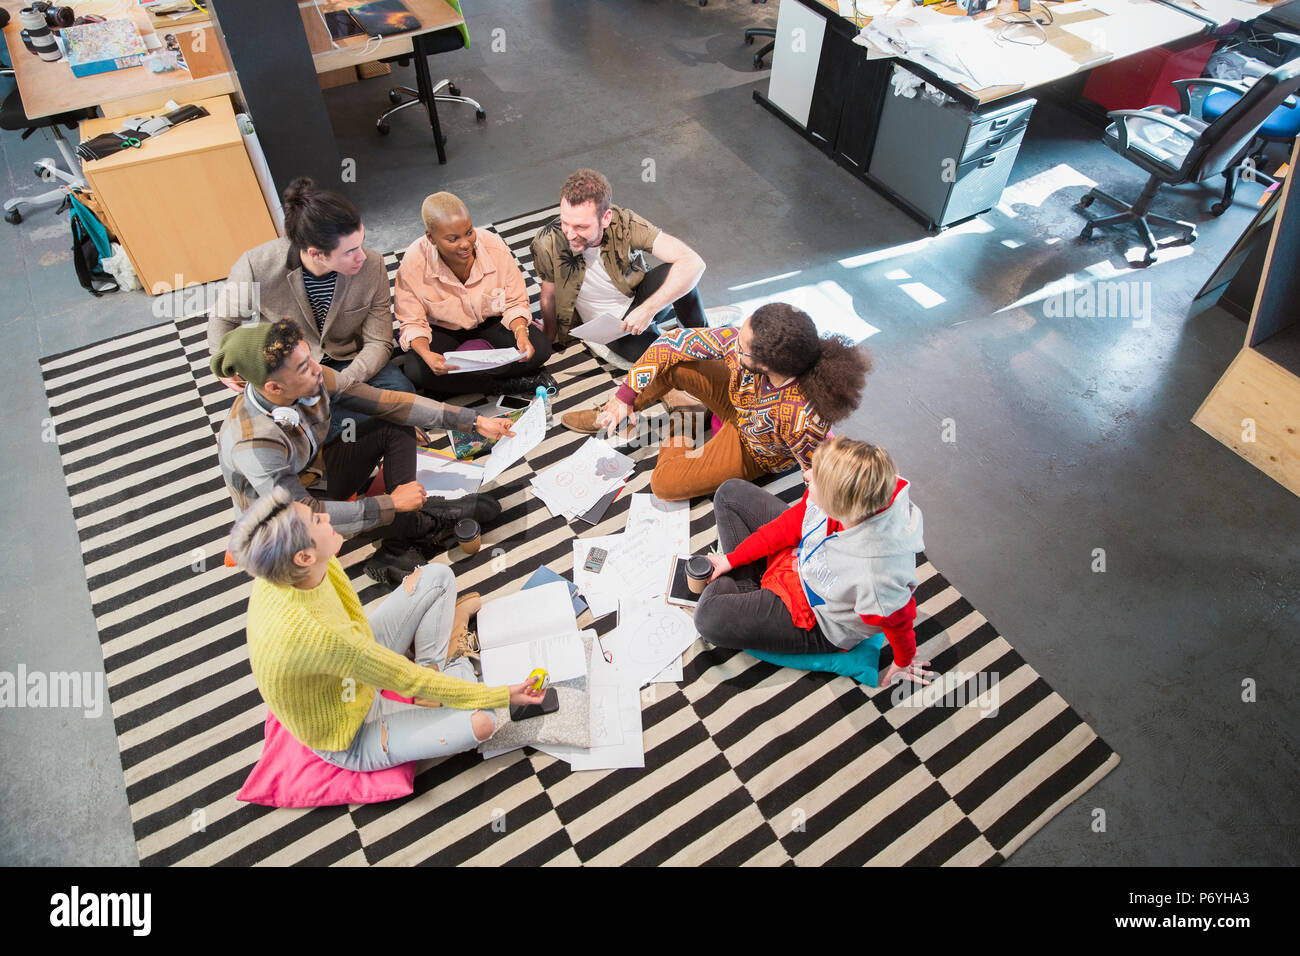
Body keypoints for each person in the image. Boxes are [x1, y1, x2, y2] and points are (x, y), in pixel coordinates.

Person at [228, 487, 546, 773]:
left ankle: (439, 664)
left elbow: (358, 631)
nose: (326, 516)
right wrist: (503, 694)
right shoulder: (317, 633)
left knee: (436, 576)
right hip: (351, 731)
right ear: (304, 556)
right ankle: (451, 653)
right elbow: (402, 678)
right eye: (317, 520)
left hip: (352, 661)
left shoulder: (296, 567)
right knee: (483, 721)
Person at [211, 320, 516, 586]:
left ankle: (402, 538)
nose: (319, 370)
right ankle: (411, 524)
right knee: (329, 526)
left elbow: (390, 402)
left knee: (394, 424)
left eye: (310, 358)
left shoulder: (315, 378)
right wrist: (391, 503)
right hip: (285, 523)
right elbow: (305, 512)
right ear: (274, 388)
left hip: (316, 476)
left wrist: (473, 421)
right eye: (304, 368)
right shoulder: (253, 444)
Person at [562, 302, 872, 500]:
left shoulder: (803, 420)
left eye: (742, 344)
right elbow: (671, 342)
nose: (733, 340)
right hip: (735, 401)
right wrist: (624, 396)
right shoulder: (749, 344)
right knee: (675, 360)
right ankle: (614, 412)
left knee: (664, 484)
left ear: (767, 363)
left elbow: (819, 485)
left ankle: (685, 416)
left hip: (754, 450)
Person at [695, 438, 935, 688]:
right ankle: (748, 593)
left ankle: (841, 657)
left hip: (817, 619)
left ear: (837, 505)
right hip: (802, 558)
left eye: (815, 478)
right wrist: (733, 559)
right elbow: (793, 523)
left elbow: (898, 620)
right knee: (730, 493)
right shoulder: (861, 488)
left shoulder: (877, 577)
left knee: (707, 619)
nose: (806, 474)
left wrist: (904, 659)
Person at [208, 176, 414, 442]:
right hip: (291, 368)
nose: (362, 256)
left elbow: (379, 341)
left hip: (350, 362)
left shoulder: (371, 265)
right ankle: (352, 428)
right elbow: (222, 318)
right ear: (316, 253)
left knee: (403, 394)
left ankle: (330, 427)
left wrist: (341, 383)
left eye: (361, 243)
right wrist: (223, 366)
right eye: (350, 251)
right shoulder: (255, 266)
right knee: (269, 430)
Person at [530, 167, 707, 368]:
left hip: (639, 297)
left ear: (605, 218)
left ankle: (702, 339)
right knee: (664, 359)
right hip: (610, 326)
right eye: (565, 223)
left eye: (581, 227)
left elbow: (694, 262)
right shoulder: (546, 242)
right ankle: (670, 344)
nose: (570, 234)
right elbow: (548, 294)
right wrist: (549, 334)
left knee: (680, 272)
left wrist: (647, 310)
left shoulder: (624, 222)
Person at [395, 191, 556, 398]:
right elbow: (411, 322)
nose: (465, 244)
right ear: (431, 238)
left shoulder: (493, 246)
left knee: (540, 349)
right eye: (453, 239)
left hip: (491, 320)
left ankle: (470, 383)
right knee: (417, 370)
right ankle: (503, 385)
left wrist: (521, 333)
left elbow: (515, 301)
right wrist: (427, 354)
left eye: (469, 232)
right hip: (443, 327)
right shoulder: (413, 263)